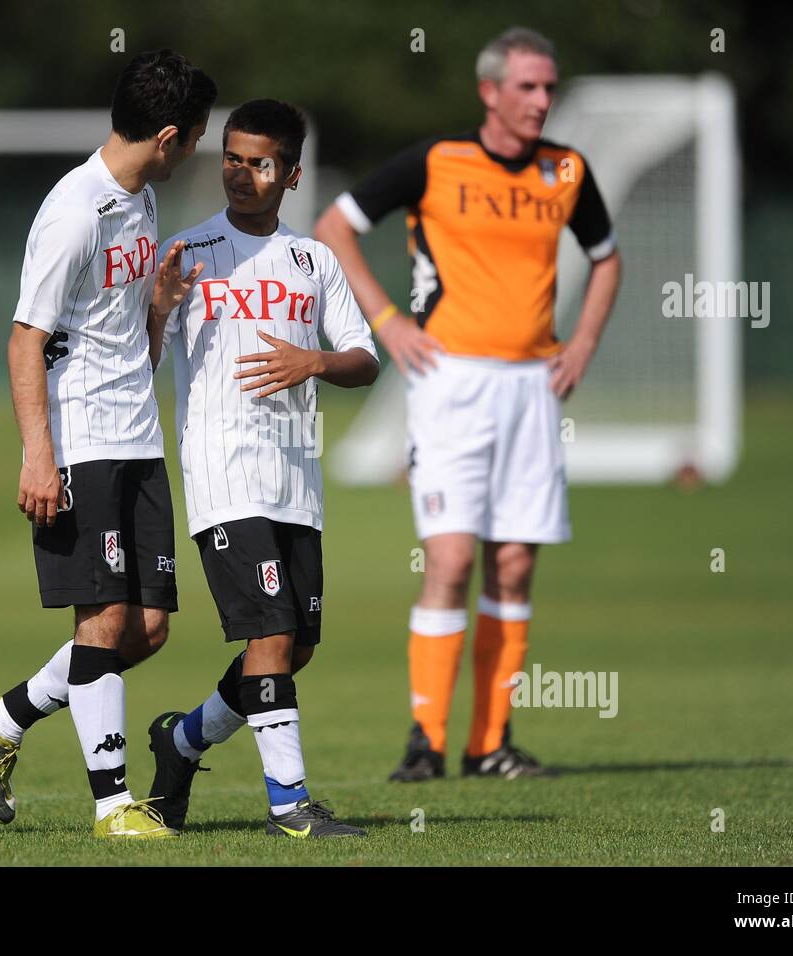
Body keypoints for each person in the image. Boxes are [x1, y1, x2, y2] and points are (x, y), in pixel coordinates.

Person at [314, 27, 622, 780]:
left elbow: (607, 258)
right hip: (451, 385)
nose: (542, 101)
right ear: (490, 91)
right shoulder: (435, 161)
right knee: (451, 559)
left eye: (549, 87)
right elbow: (335, 227)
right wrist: (388, 323)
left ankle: (491, 744)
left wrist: (581, 343)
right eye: (527, 86)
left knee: (513, 565)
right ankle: (426, 740)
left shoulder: (567, 170)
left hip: (533, 387)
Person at [0, 49, 217, 837]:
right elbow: (24, 339)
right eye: (199, 138)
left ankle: (6, 717)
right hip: (82, 441)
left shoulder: (138, 202)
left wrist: (163, 308)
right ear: (169, 136)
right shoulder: (75, 211)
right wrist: (40, 456)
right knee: (101, 620)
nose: (198, 153)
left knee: (149, 628)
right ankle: (113, 808)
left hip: (139, 439)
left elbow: (118, 338)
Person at [145, 99, 379, 837]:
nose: (241, 173)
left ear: (291, 174)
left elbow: (366, 358)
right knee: (272, 636)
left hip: (296, 482)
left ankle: (181, 743)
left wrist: (314, 361)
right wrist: (156, 309)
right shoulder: (186, 254)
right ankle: (291, 807)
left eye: (260, 162)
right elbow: (139, 362)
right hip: (225, 478)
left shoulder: (314, 260)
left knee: (292, 648)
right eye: (231, 158)